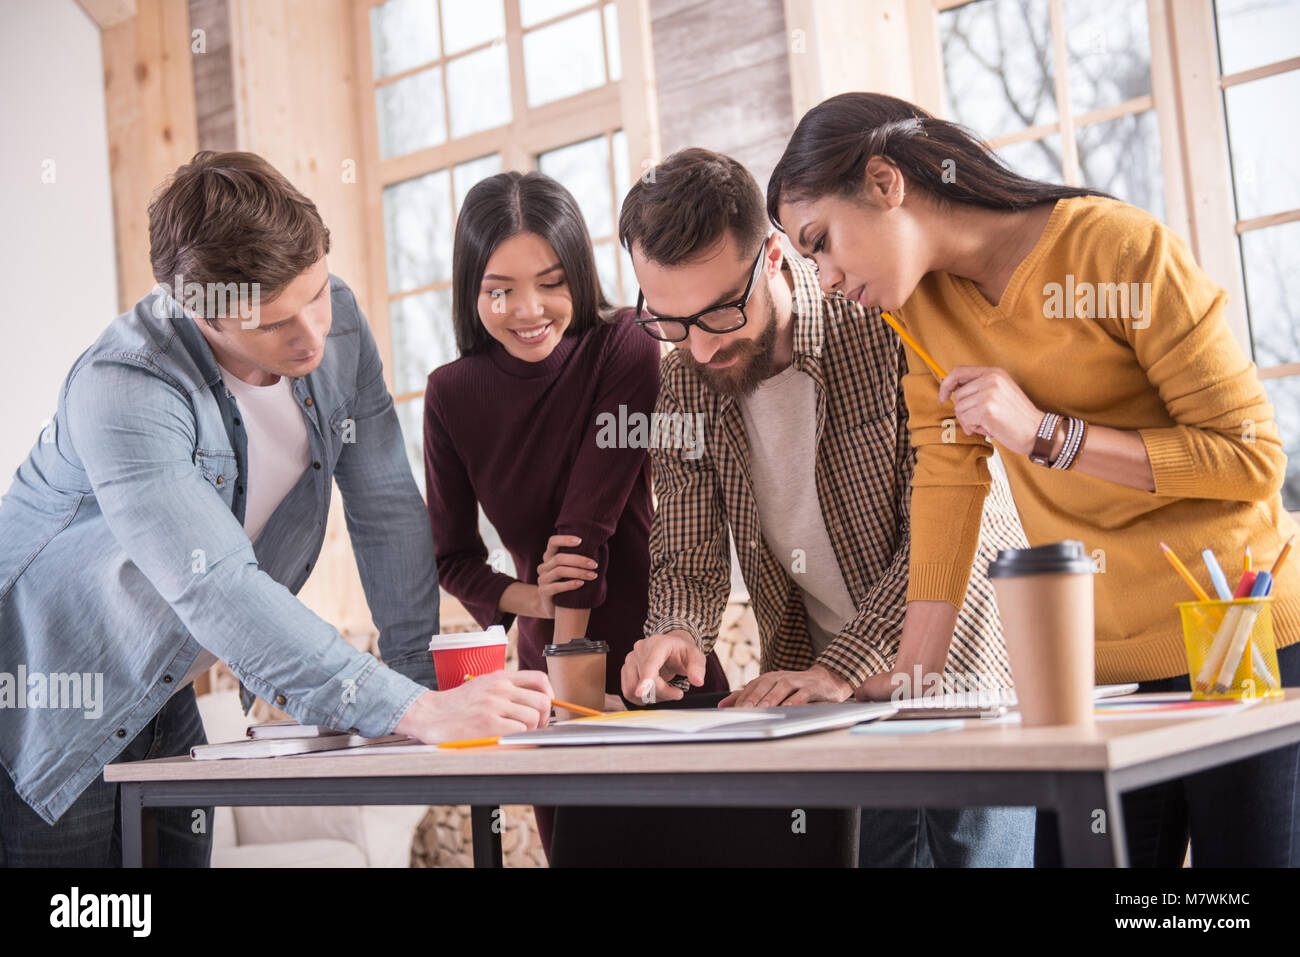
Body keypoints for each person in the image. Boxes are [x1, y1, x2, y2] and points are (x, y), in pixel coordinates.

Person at [767, 91, 1300, 867]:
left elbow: (1250, 457)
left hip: (1243, 648)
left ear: (885, 183)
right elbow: (948, 486)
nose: (823, 275)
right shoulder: (918, 311)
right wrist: (913, 673)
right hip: (1100, 676)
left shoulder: (1116, 248)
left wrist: (1050, 436)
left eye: (821, 242)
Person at [0, 151, 552, 867]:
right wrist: (410, 710)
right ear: (201, 314)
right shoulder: (124, 389)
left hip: (161, 686)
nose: (313, 336)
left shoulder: (340, 322)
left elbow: (384, 501)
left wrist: (417, 681)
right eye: (275, 323)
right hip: (43, 697)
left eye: (316, 294)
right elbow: (216, 584)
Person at [618, 147, 1035, 867]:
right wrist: (676, 629)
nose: (703, 345)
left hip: (964, 679)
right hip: (833, 710)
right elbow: (685, 550)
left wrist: (843, 666)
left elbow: (959, 528)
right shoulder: (685, 378)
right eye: (671, 321)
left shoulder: (885, 326)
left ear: (775, 255)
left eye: (721, 310)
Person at [421, 170, 729, 859]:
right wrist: (534, 600)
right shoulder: (450, 395)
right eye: (500, 288)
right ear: (473, 291)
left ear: (580, 277)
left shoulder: (625, 342)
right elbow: (452, 557)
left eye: (552, 281)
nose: (528, 309)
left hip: (660, 650)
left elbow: (584, 531)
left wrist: (574, 677)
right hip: (551, 682)